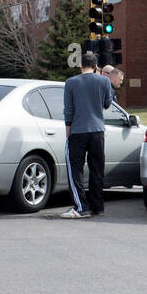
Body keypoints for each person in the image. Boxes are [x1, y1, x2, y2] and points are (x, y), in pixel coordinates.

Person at [60, 52, 114, 219]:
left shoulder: (71, 83)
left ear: (80, 66)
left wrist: (68, 132)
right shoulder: (104, 80)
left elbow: (68, 110)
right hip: (98, 131)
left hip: (78, 130)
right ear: (96, 66)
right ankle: (97, 206)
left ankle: (81, 206)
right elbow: (107, 103)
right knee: (97, 169)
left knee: (75, 170)